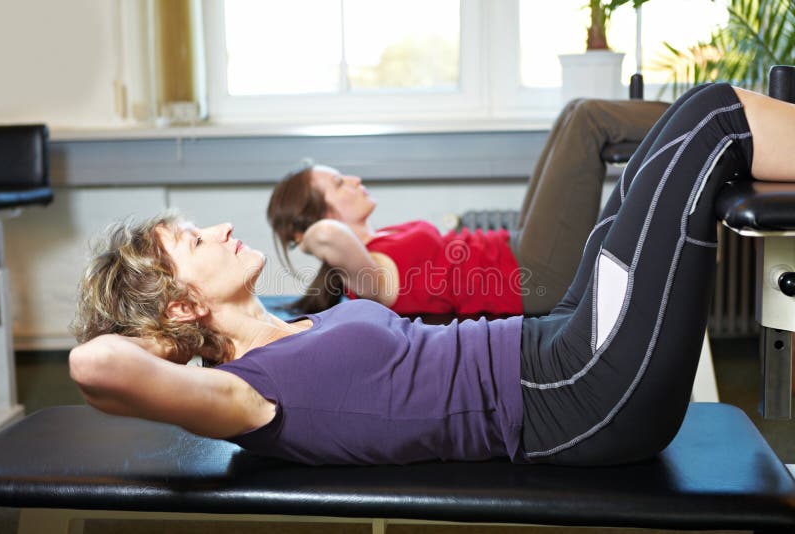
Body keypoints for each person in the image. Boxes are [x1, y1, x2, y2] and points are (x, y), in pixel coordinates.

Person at [71, 83, 787, 466]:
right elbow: (97, 364)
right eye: (194, 241)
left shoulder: (294, 326)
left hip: (560, 338)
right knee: (707, 117)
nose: (222, 229)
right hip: (578, 393)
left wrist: (178, 318)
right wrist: (162, 338)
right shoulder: (242, 392)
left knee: (656, 144)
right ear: (181, 305)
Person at [267, 99, 670, 316]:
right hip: (534, 278)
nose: (353, 180)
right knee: (588, 120)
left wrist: (309, 229)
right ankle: (717, 112)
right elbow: (330, 239)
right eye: (338, 183)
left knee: (572, 111)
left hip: (514, 248)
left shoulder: (380, 242)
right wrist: (304, 235)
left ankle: (697, 123)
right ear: (321, 216)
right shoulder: (369, 279)